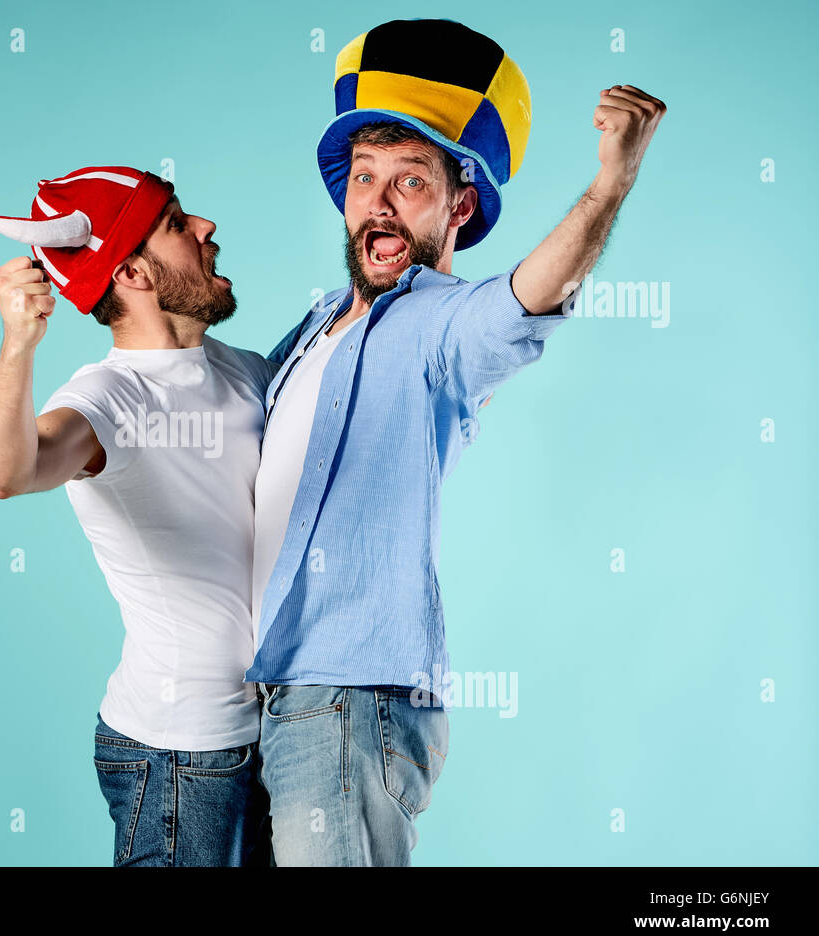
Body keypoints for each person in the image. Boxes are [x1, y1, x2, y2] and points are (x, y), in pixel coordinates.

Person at [249, 18, 666, 866]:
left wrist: (610, 184)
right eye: (364, 176)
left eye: (410, 180)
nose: (377, 199)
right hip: (266, 694)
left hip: (349, 697)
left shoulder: (441, 323)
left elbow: (526, 299)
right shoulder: (313, 329)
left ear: (458, 205)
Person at [0, 166, 275, 866]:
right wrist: (19, 343)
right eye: (176, 222)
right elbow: (9, 470)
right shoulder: (108, 399)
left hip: (265, 737)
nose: (207, 229)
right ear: (134, 273)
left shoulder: (247, 372)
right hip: (176, 753)